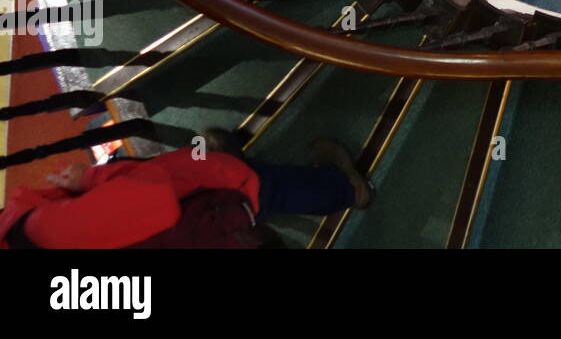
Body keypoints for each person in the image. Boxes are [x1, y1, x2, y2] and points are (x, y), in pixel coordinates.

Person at [0, 131, 371, 249]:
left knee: (260, 199)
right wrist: (89, 181)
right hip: (211, 210)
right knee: (266, 188)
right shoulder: (43, 230)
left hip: (203, 233)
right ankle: (347, 189)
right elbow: (151, 199)